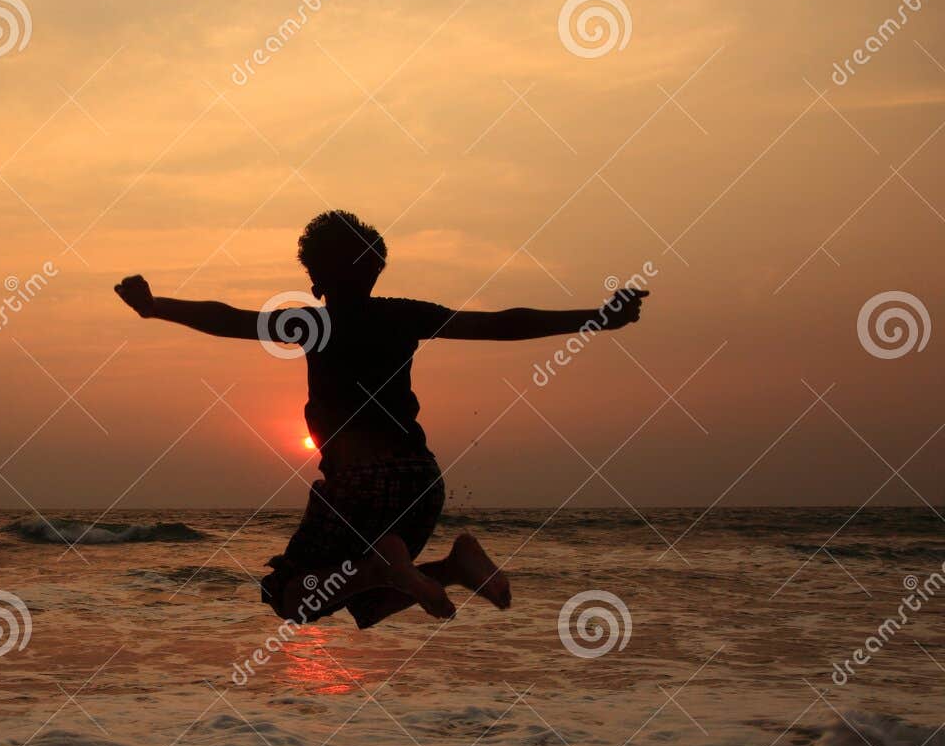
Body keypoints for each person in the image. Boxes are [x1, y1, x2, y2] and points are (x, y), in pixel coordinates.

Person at [113, 209, 647, 628]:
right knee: (368, 599)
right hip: (420, 481)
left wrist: (157, 306)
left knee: (291, 597)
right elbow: (501, 324)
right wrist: (597, 316)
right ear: (374, 269)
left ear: (316, 281)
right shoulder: (403, 315)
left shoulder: (314, 325)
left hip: (359, 485)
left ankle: (385, 563)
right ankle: (452, 567)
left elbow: (232, 320)